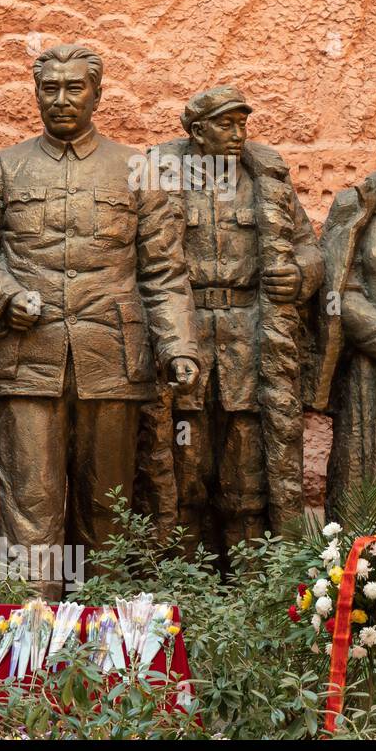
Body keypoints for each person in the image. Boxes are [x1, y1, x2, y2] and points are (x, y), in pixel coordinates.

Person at [0, 44, 198, 598]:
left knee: (105, 506)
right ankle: (32, 639)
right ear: (36, 94)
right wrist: (5, 294)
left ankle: (101, 638)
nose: (61, 99)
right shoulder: (7, 167)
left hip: (111, 357)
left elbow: (163, 271)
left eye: (74, 88)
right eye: (49, 88)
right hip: (27, 357)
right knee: (30, 507)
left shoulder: (136, 170)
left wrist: (178, 347)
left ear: (97, 94)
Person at [136, 87, 322, 563]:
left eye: (242, 124)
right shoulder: (160, 180)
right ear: (196, 132)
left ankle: (252, 586)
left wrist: (298, 275)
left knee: (247, 472)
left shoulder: (266, 181)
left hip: (249, 340)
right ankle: (183, 582)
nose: (238, 134)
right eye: (225, 125)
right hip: (186, 331)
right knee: (184, 464)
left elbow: (310, 249)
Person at [313, 116, 376, 516]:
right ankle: (358, 571)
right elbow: (340, 286)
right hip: (371, 366)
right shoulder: (355, 206)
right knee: (368, 466)